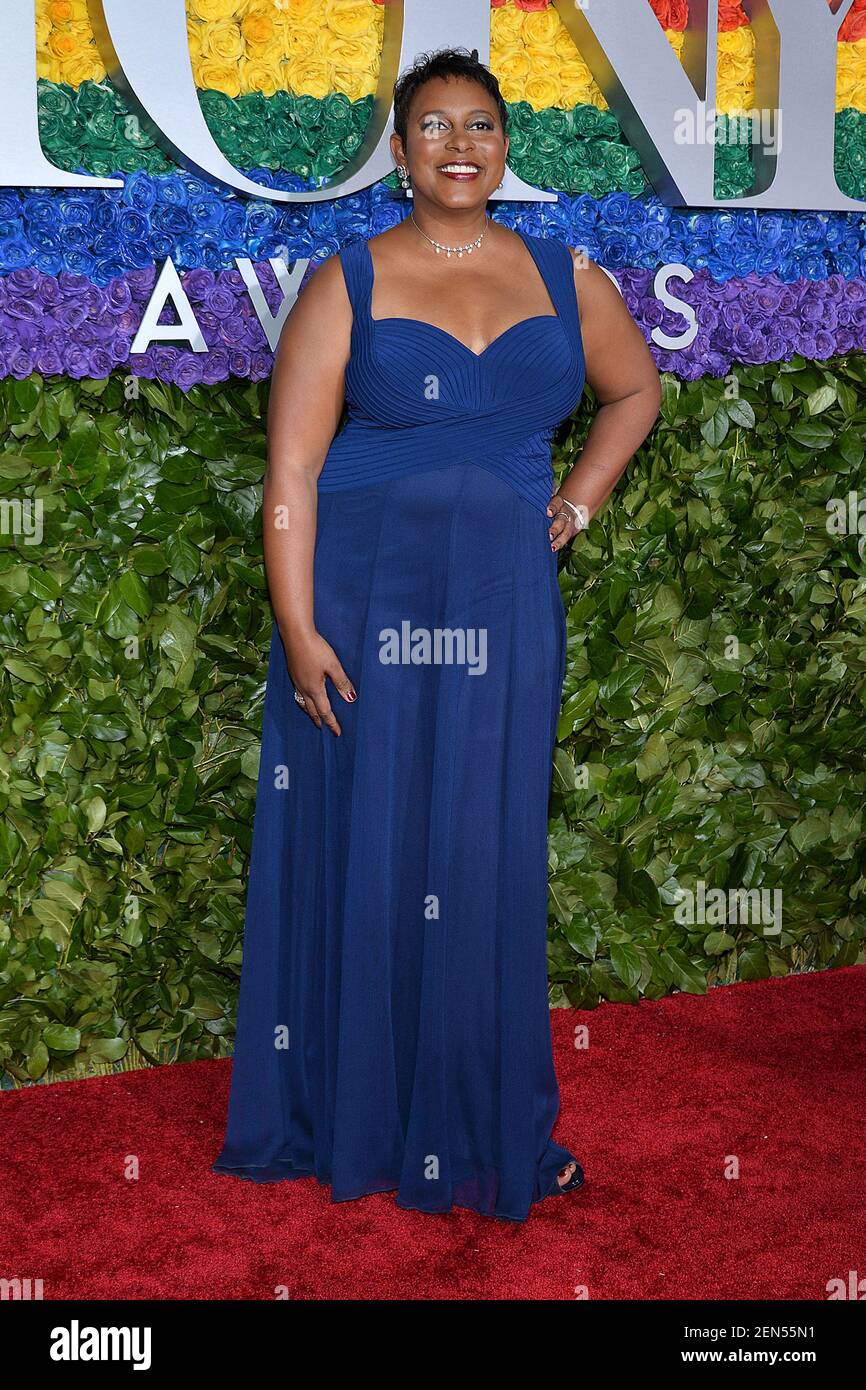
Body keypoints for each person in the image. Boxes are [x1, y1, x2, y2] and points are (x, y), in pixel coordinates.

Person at [213, 47, 661, 1221]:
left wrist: (575, 502)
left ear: (504, 144)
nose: (458, 143)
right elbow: (292, 470)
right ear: (400, 149)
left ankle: (473, 1112)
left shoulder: (566, 276)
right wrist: (298, 623)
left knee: (480, 854)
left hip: (505, 608)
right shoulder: (346, 280)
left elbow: (635, 391)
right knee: (370, 845)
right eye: (431, 126)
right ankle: (356, 1110)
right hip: (361, 602)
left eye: (479, 124)